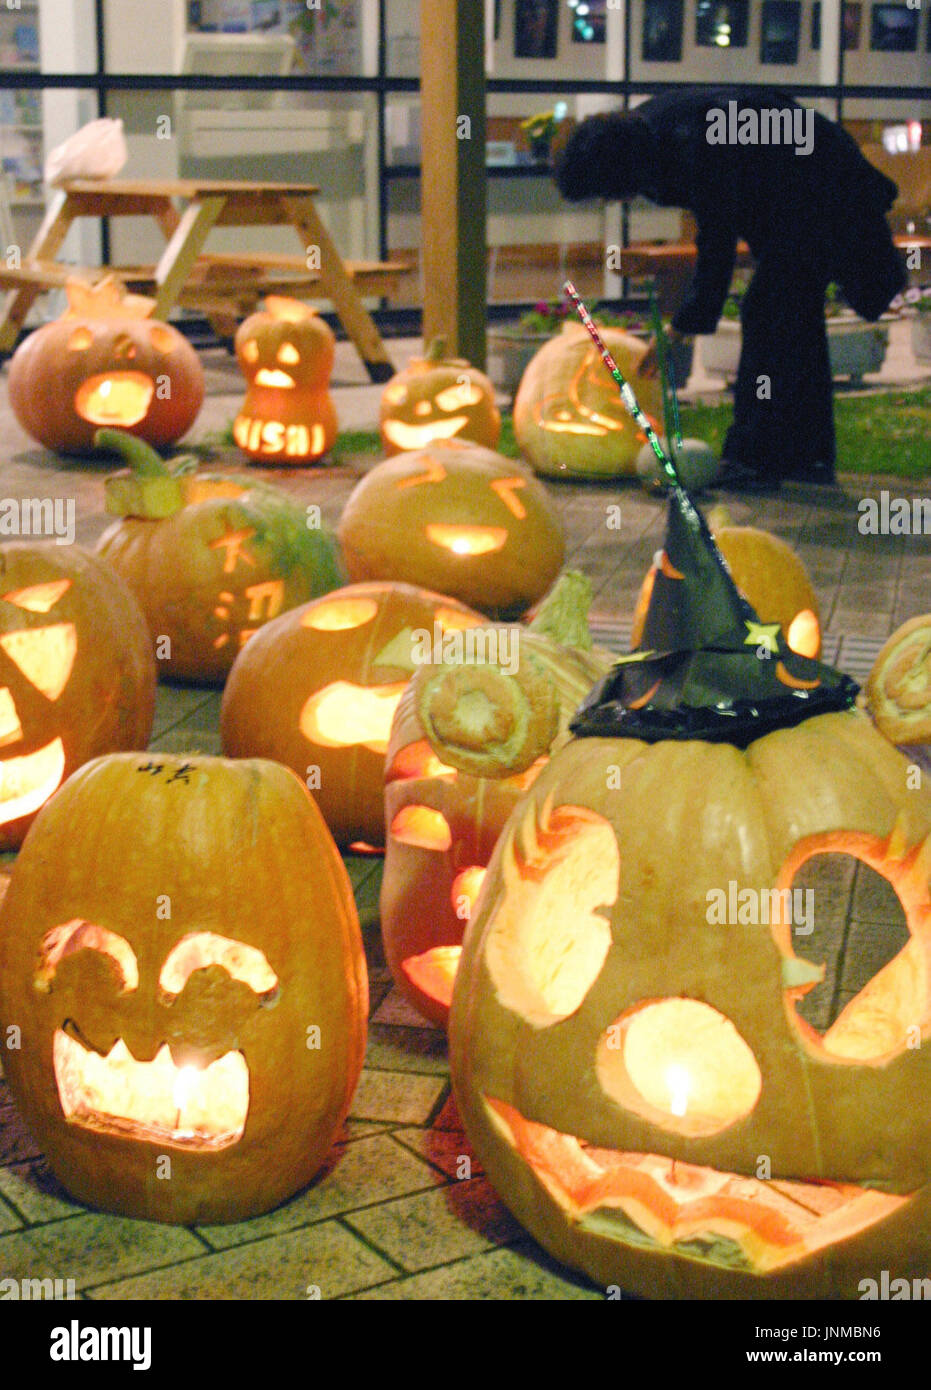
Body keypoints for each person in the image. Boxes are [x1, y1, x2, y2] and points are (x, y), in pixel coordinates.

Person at [554, 87, 907, 490]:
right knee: (791, 318)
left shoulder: (694, 141)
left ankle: (754, 457)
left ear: (616, 170)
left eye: (607, 191)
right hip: (799, 198)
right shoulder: (647, 133)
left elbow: (717, 239)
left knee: (768, 312)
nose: (615, 200)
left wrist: (682, 329)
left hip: (828, 194)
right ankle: (806, 457)